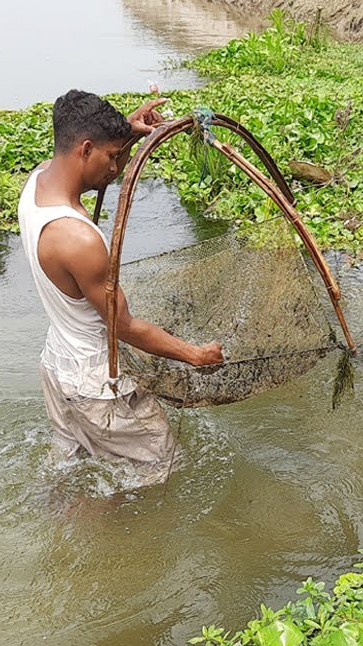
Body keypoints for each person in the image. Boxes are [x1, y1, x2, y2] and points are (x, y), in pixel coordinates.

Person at [20, 89, 223, 486]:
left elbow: (85, 152)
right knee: (163, 468)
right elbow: (124, 326)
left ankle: (66, 542)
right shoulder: (78, 241)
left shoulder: (36, 183)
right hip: (98, 383)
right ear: (85, 148)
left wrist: (127, 131)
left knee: (76, 474)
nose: (115, 168)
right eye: (111, 158)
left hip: (58, 368)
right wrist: (194, 355)